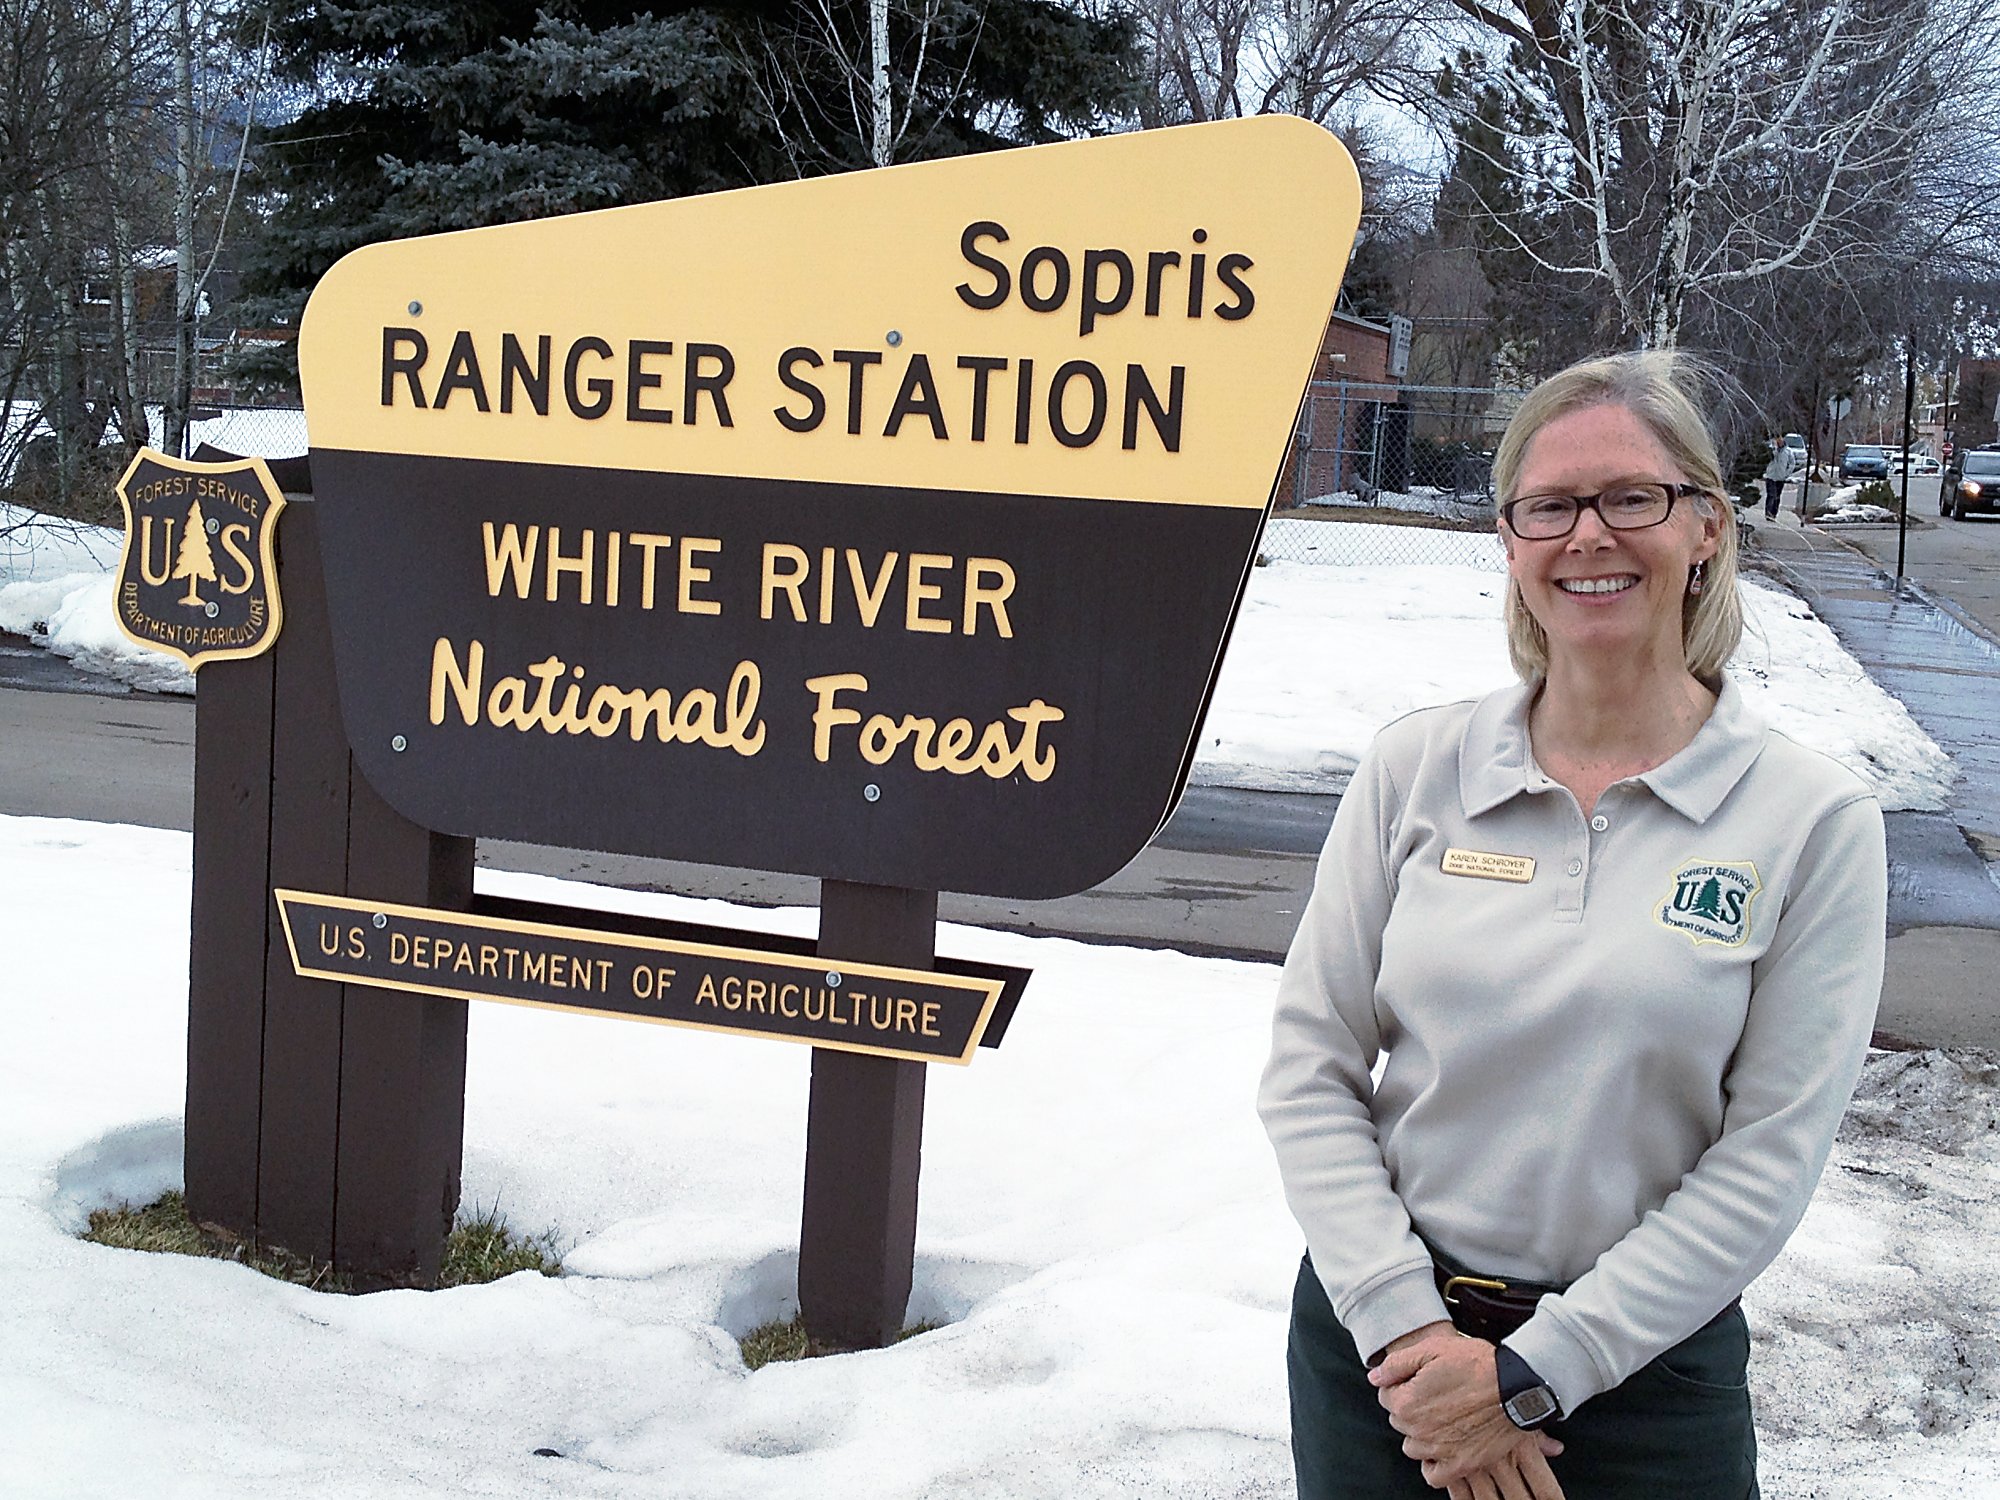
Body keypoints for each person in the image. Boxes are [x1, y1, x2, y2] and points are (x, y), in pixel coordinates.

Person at [1259, 350, 1886, 1500]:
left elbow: (1768, 1156)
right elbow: (1309, 1067)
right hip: (1384, 1366)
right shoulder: (1415, 769)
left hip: (1641, 1379)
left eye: (1629, 498)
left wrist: (1531, 1374)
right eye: (1547, 506)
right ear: (1507, 541)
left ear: (1703, 526)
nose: (1586, 536)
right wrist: (1411, 1341)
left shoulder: (1807, 818)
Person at [1759, 436, 1799, 519]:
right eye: (1777, 439)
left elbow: (1792, 463)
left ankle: (1774, 513)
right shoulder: (1772, 450)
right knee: (1771, 495)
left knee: (1777, 496)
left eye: (1780, 439)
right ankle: (1768, 513)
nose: (1779, 441)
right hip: (1771, 476)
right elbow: (1765, 459)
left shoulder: (1788, 451)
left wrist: (1786, 473)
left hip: (1781, 477)